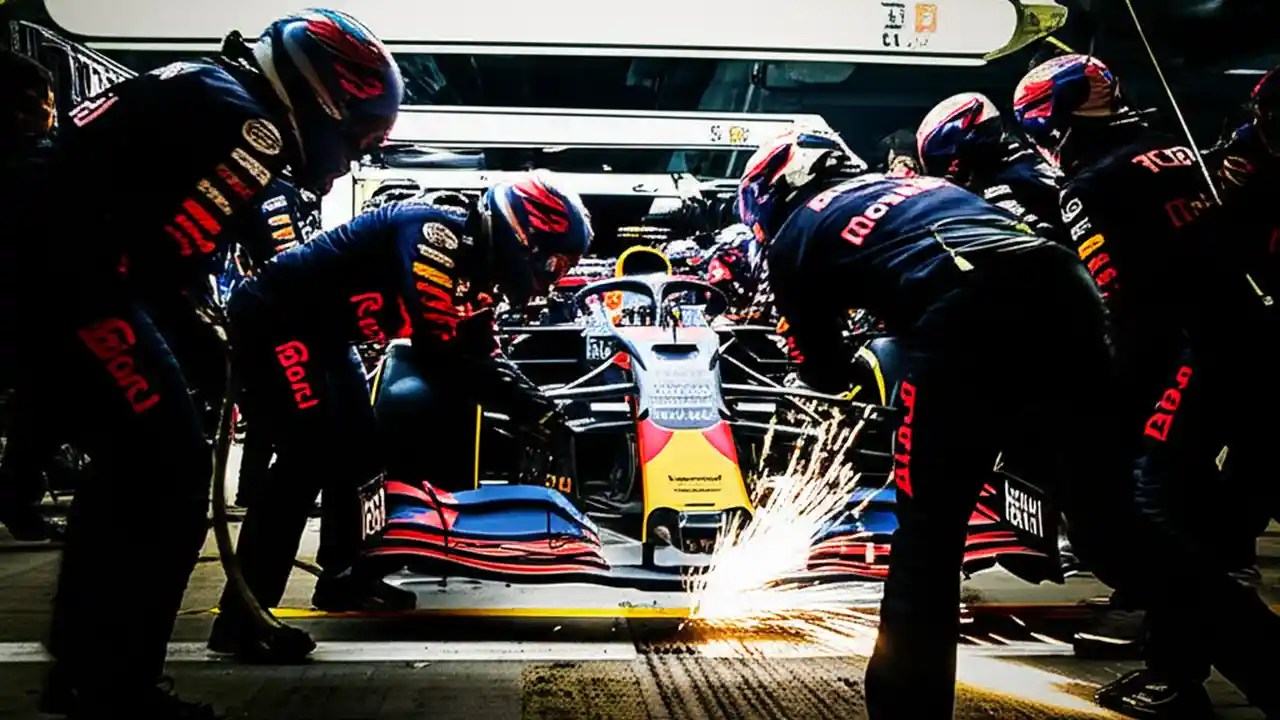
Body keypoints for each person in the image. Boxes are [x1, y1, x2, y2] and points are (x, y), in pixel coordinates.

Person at [738, 123, 1280, 718]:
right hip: (1063, 292)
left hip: (964, 312)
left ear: (772, 194)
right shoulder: (917, 184)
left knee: (927, 546)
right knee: (1115, 531)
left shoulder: (795, 235)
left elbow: (821, 368)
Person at [8, 10, 402, 718]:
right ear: (323, 97)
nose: (351, 156)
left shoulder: (210, 86)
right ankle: (114, 686)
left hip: (60, 273)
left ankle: (85, 670)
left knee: (135, 468)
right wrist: (203, 338)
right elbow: (162, 259)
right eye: (358, 136)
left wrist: (196, 335)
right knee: (169, 472)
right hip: (68, 281)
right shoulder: (249, 126)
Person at [208, 170, 593, 661]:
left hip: (324, 337)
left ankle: (345, 578)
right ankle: (243, 620)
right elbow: (443, 350)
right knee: (309, 456)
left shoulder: (475, 272)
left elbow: (481, 352)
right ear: (524, 235)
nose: (554, 275)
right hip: (272, 319)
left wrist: (542, 410)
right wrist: (530, 408)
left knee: (366, 448)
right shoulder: (435, 235)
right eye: (555, 260)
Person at [1014, 52, 1280, 718]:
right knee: (1204, 520)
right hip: (1252, 343)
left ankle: (1229, 667)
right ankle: (1178, 671)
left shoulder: (1090, 183)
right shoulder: (1180, 147)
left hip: (1200, 350)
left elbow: (1117, 299)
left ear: (1057, 118)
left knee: (1149, 516)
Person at [0, 50, 66, 542]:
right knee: (42, 406)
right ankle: (19, 503)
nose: (53, 114)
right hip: (31, 312)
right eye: (46, 105)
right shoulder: (40, 164)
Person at [915, 91, 1066, 246]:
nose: (951, 174)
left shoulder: (999, 186)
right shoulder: (1027, 157)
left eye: (950, 164)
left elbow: (1035, 243)